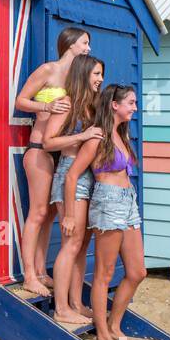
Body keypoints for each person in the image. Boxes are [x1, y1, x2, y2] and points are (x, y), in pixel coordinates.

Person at [62, 84, 145, 340]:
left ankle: (115, 326)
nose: (135, 107)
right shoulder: (97, 137)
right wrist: (71, 214)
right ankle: (102, 334)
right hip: (107, 202)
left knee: (137, 271)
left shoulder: (121, 135)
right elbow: (72, 175)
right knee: (104, 273)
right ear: (114, 105)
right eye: (131, 103)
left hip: (128, 200)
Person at [13, 26, 91, 295]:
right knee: (37, 213)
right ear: (70, 45)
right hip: (39, 150)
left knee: (48, 217)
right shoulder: (49, 70)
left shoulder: (75, 80)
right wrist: (46, 106)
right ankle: (28, 276)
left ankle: (41, 271)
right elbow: (20, 100)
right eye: (84, 43)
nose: (88, 48)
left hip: (60, 153)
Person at [43, 55, 105, 325]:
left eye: (101, 74)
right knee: (70, 244)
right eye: (95, 74)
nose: (100, 79)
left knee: (81, 247)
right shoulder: (67, 103)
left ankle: (77, 303)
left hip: (89, 178)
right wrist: (81, 136)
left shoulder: (92, 107)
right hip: (70, 176)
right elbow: (48, 142)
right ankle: (61, 308)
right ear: (83, 74)